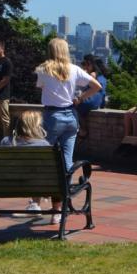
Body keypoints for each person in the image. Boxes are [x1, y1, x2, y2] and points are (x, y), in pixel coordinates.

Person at [35, 38, 101, 224]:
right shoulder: (75, 69)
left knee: (46, 160)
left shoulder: (43, 69)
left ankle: (40, 201)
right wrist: (80, 98)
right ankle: (61, 205)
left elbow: (40, 86)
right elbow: (96, 86)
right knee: (66, 162)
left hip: (52, 116)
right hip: (71, 117)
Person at [0, 110, 51, 214]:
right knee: (37, 175)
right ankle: (39, 204)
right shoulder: (43, 144)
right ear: (35, 126)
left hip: (8, 184)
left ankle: (34, 204)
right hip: (36, 185)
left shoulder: (6, 141)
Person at [77, 55, 109, 141]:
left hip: (91, 99)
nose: (85, 66)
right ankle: (82, 129)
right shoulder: (102, 77)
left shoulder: (93, 75)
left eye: (87, 64)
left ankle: (83, 130)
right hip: (97, 101)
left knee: (74, 107)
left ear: (93, 65)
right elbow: (103, 93)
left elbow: (81, 84)